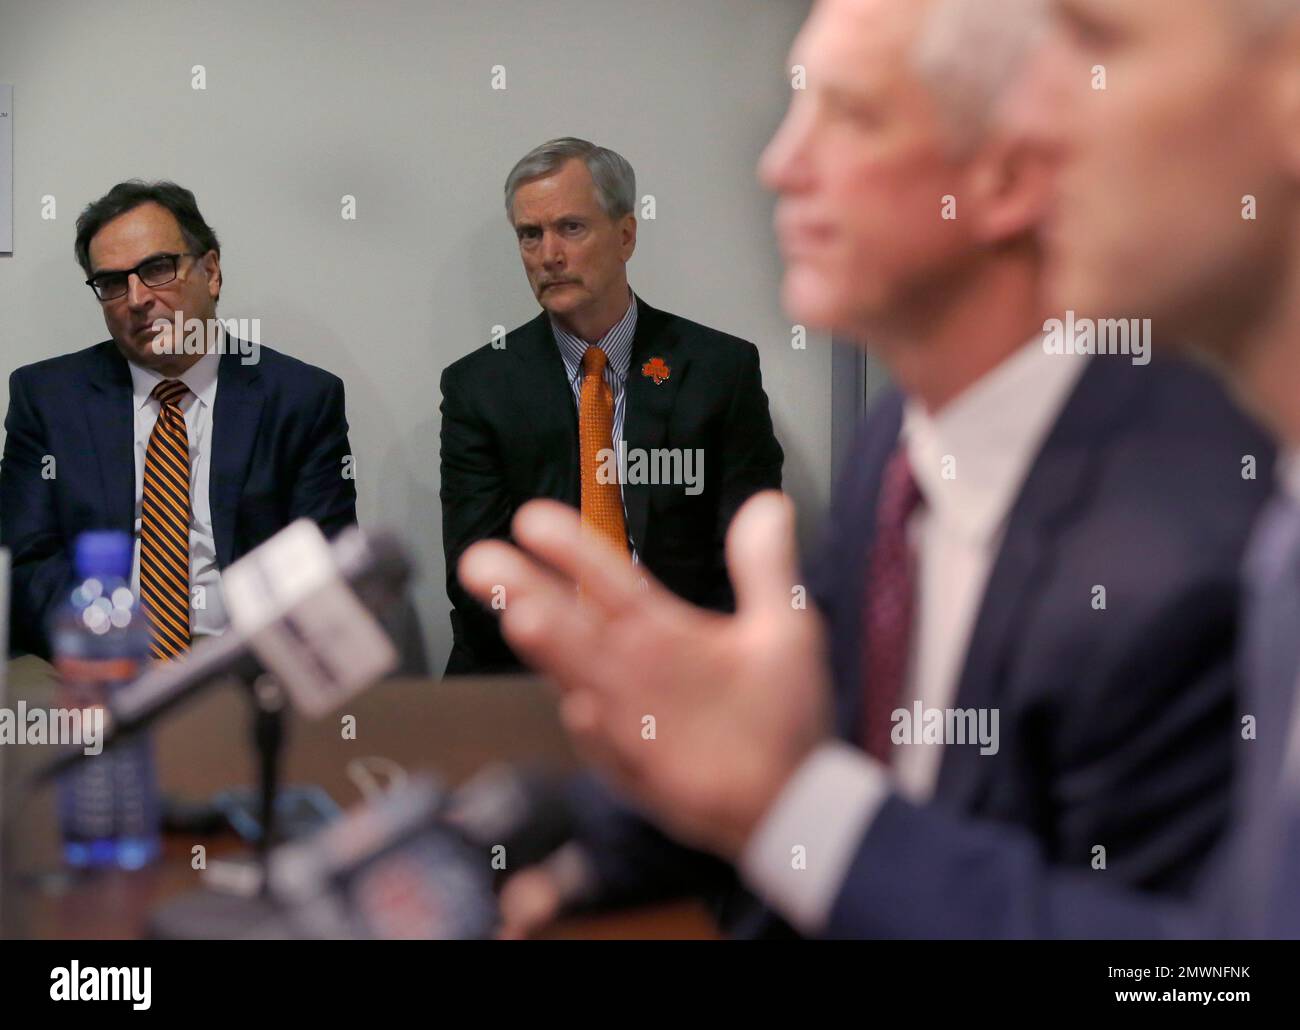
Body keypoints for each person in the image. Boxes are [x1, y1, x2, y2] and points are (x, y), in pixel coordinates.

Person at [470, 0, 1275, 938]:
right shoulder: (905, 433)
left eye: (848, 116)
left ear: (1007, 173)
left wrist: (791, 806)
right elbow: (790, 733)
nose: (780, 166)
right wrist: (501, 849)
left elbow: (1189, 978)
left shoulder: (1194, 547)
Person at [439, 138, 784, 675]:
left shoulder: (719, 370)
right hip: (527, 673)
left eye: (571, 228)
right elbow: (478, 572)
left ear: (626, 234)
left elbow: (747, 556)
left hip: (681, 667)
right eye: (530, 235)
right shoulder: (480, 387)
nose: (549, 255)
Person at [0, 180, 357, 661]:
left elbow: (324, 566)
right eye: (111, 282)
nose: (136, 298)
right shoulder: (47, 398)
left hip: (244, 661)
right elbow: (25, 563)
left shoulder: (299, 399)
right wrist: (107, 645)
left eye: (157, 269)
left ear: (210, 271)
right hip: (91, 657)